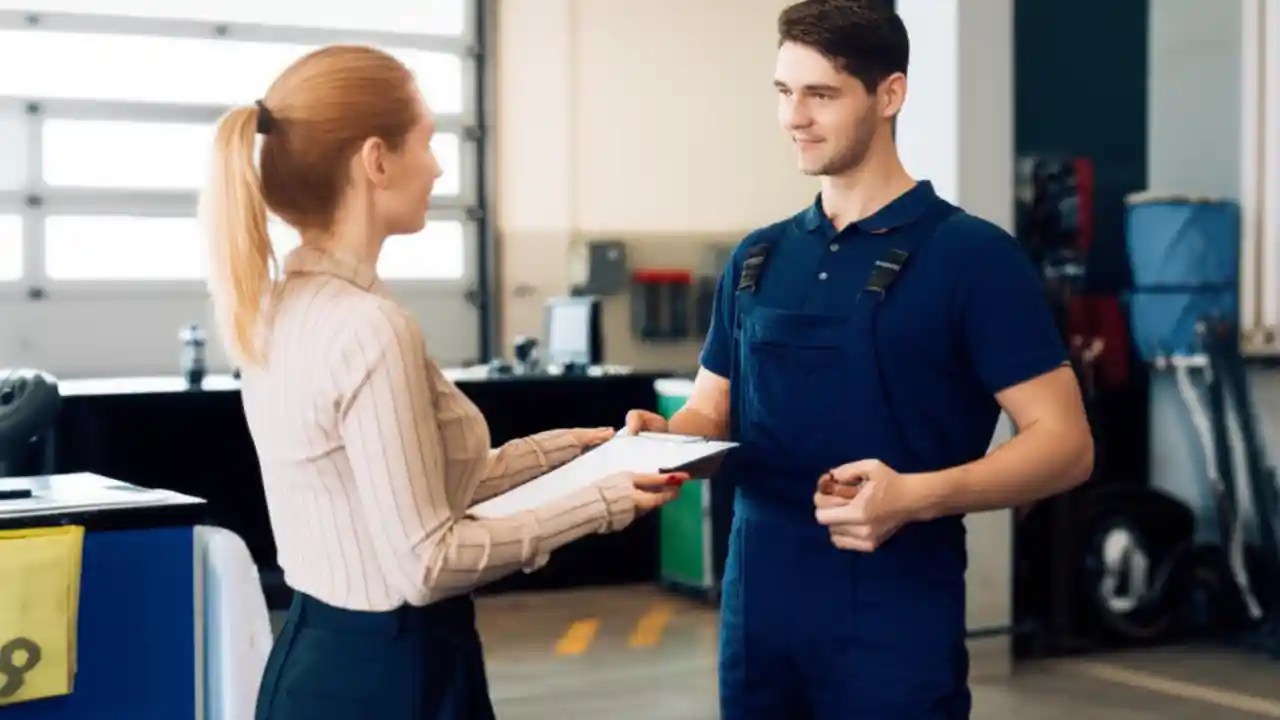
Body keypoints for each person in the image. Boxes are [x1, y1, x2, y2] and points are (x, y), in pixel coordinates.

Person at [624, 1, 1094, 717]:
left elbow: (1066, 446)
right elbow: (711, 410)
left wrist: (914, 496)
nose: (794, 117)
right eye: (784, 92)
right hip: (758, 616)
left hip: (894, 624)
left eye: (821, 93)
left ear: (890, 95)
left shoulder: (971, 258)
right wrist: (668, 446)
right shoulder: (757, 258)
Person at [200, 45, 686, 720]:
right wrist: (600, 504)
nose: (436, 166)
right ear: (376, 159)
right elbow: (427, 562)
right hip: (397, 674)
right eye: (427, 143)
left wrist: (575, 450)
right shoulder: (370, 328)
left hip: (315, 659)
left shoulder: (278, 306)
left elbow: (412, 493)